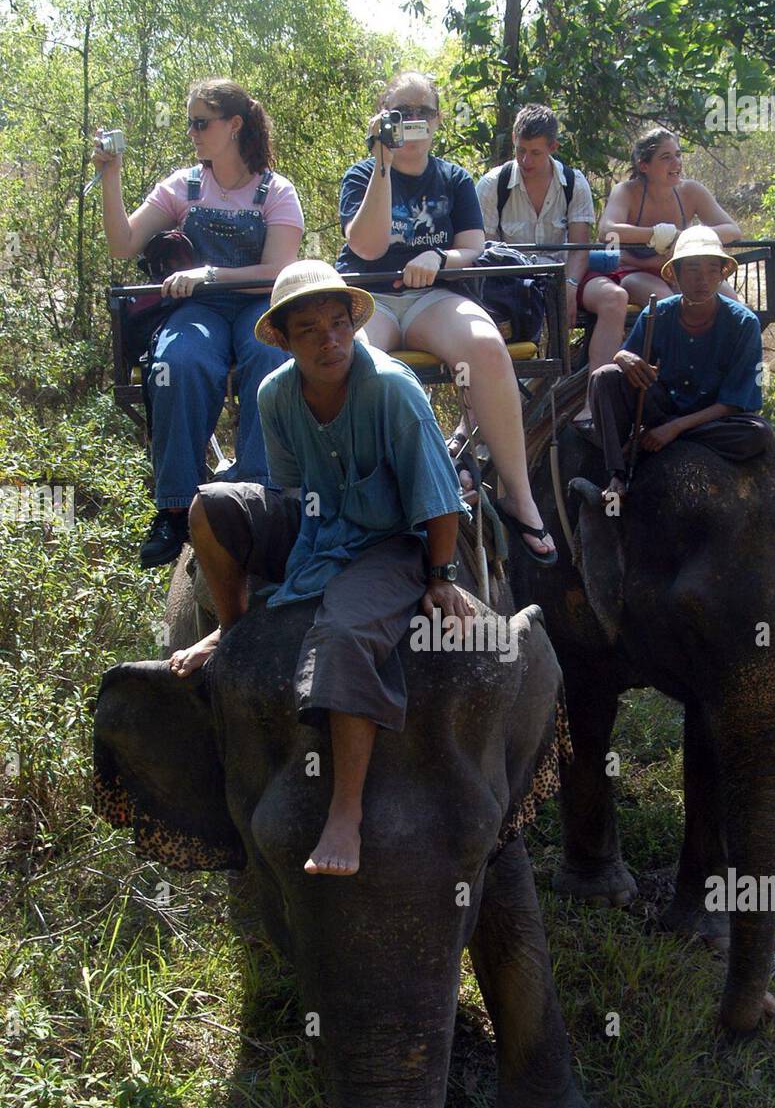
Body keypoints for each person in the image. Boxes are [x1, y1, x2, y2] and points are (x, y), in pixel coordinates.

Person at [167, 260, 473, 876]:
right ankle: (235, 629)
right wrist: (289, 554)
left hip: (390, 540)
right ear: (281, 338)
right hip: (315, 527)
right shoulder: (274, 393)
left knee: (342, 634)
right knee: (212, 506)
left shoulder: (393, 389)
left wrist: (439, 575)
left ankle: (346, 811)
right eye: (310, 330)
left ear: (355, 326)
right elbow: (289, 491)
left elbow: (439, 500)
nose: (330, 340)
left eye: (339, 324)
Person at [335, 70, 557, 566]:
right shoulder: (360, 175)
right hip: (370, 297)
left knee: (485, 345)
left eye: (423, 112)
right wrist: (382, 163)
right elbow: (366, 245)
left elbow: (473, 248)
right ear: (383, 120)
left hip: (433, 297)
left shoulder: (453, 178)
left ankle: (517, 494)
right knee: (361, 360)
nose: (413, 121)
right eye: (401, 113)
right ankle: (375, 489)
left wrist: (438, 257)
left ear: (437, 121)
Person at [93, 78, 304, 567]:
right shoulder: (183, 186)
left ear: (234, 125)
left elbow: (277, 271)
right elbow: (122, 243)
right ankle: (172, 504)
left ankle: (262, 489)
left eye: (200, 122)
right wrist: (111, 175)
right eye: (189, 122)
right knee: (176, 361)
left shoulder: (275, 191)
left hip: (255, 302)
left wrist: (210, 273)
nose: (191, 132)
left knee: (271, 356)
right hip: (199, 311)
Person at [588, 227, 775, 498]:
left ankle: (642, 445)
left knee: (757, 434)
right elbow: (630, 362)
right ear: (674, 274)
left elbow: (736, 402)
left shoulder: (744, 323)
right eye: (693, 270)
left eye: (712, 270)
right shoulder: (658, 313)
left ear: (723, 273)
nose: (703, 280)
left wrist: (673, 429)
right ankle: (617, 473)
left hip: (711, 420)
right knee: (604, 376)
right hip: (663, 407)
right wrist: (622, 356)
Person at [475, 102, 625, 430]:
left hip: (563, 274)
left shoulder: (574, 183)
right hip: (510, 284)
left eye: (535, 153)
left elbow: (579, 247)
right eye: (520, 151)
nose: (526, 161)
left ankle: (593, 404)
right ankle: (472, 421)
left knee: (615, 300)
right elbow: (482, 253)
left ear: (553, 148)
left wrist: (569, 288)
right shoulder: (492, 184)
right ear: (513, 141)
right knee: (475, 325)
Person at [591, 127, 742, 313]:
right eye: (666, 157)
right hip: (635, 272)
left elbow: (733, 230)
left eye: (678, 155)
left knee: (731, 302)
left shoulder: (691, 191)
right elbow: (607, 231)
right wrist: (658, 234)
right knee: (667, 303)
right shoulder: (626, 192)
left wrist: (684, 237)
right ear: (644, 166)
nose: (676, 163)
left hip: (682, 271)